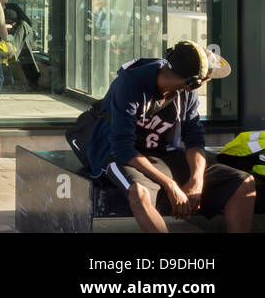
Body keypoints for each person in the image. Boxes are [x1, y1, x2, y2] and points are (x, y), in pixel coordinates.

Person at [88, 41, 253, 232]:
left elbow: (194, 137)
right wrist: (170, 185)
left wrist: (196, 181)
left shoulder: (186, 93)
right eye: (207, 80)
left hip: (161, 152)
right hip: (118, 154)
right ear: (194, 82)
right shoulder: (130, 85)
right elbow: (122, 148)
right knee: (139, 192)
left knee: (243, 182)